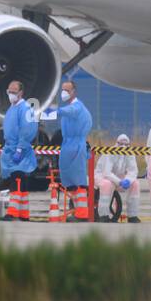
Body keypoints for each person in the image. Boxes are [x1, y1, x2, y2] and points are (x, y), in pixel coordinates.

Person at [1, 79, 39, 221]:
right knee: (20, 183)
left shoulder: (25, 108)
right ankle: (24, 214)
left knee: (16, 182)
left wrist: (19, 149)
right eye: (9, 91)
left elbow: (27, 130)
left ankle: (12, 212)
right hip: (11, 149)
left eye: (13, 92)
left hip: (19, 151)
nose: (10, 94)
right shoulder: (12, 108)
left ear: (21, 93)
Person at [56, 79, 94, 221]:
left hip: (76, 147)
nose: (64, 93)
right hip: (68, 146)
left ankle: (82, 214)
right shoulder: (71, 108)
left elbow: (68, 111)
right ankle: (79, 212)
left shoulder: (76, 107)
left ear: (73, 92)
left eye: (66, 90)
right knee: (71, 183)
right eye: (63, 90)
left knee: (79, 182)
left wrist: (51, 111)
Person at [95, 134, 140, 222]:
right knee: (107, 185)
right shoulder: (110, 152)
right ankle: (103, 215)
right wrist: (119, 182)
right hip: (102, 176)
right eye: (121, 144)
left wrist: (128, 180)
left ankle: (132, 216)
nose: (123, 147)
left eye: (126, 145)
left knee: (135, 184)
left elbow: (133, 171)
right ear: (117, 143)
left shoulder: (130, 153)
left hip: (119, 178)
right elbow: (107, 173)